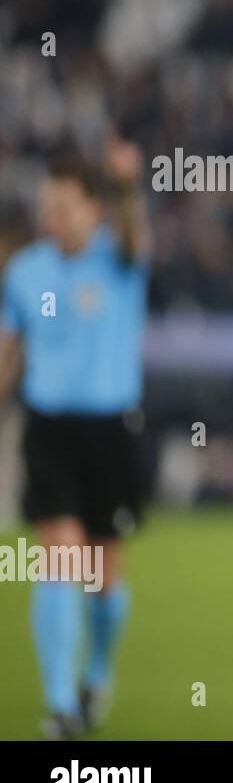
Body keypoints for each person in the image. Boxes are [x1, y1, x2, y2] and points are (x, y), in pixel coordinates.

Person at [0, 140, 150, 739]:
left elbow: (136, 230)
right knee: (59, 558)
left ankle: (97, 675)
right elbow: (10, 350)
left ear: (94, 209)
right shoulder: (26, 270)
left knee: (103, 575)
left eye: (64, 207)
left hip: (110, 431)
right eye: (46, 207)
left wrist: (127, 185)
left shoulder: (121, 258)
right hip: (50, 429)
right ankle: (61, 704)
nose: (51, 218)